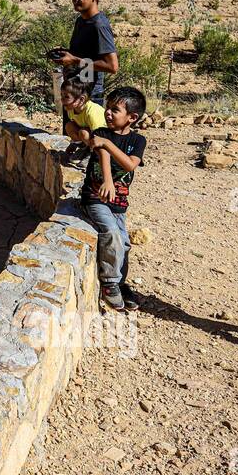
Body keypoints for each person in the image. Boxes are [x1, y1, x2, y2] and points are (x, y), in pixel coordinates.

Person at [80, 86, 148, 311]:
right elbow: (104, 157)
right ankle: (110, 284)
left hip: (119, 203)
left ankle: (120, 282)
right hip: (95, 198)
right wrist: (107, 181)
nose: (108, 113)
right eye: (107, 108)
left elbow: (129, 164)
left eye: (115, 110)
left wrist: (108, 144)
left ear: (132, 117)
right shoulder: (101, 133)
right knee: (110, 233)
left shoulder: (138, 141)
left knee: (125, 243)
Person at [55, 0, 118, 103]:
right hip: (74, 92)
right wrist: (65, 55)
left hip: (89, 97)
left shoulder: (99, 25)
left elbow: (112, 66)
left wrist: (74, 60)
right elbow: (85, 54)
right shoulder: (81, 21)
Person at [60, 76, 105, 163]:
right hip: (89, 135)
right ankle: (83, 149)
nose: (62, 99)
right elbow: (75, 125)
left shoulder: (92, 112)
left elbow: (100, 136)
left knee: (83, 133)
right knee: (69, 126)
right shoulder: (71, 109)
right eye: (61, 95)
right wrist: (74, 143)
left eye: (66, 97)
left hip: (103, 139)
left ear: (81, 99)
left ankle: (92, 154)